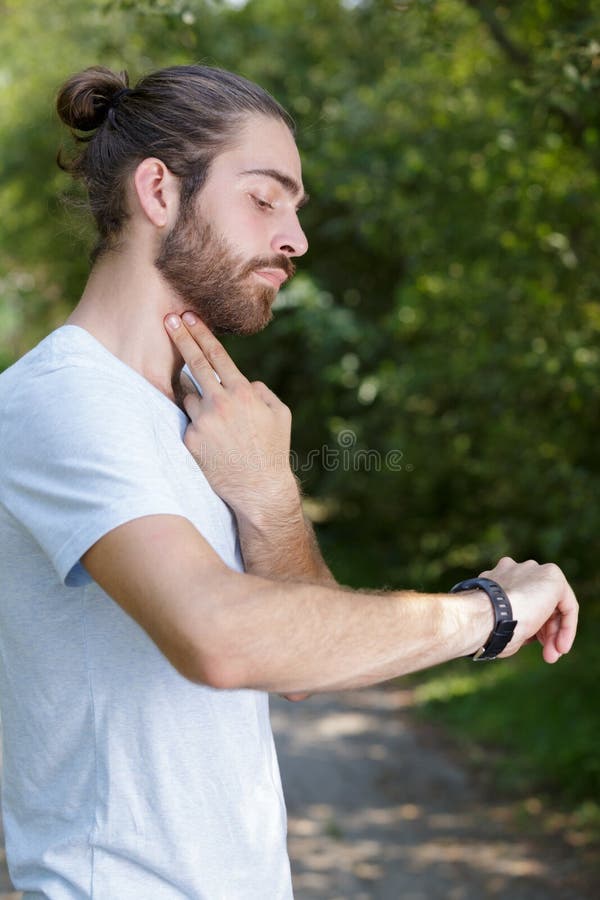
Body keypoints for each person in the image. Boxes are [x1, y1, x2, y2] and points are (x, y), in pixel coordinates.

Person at [0, 63, 578, 899]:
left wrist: (271, 494)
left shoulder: (188, 415)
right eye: (265, 198)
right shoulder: (61, 400)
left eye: (295, 209)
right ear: (159, 191)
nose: (295, 239)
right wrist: (486, 615)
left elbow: (298, 664)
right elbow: (222, 638)